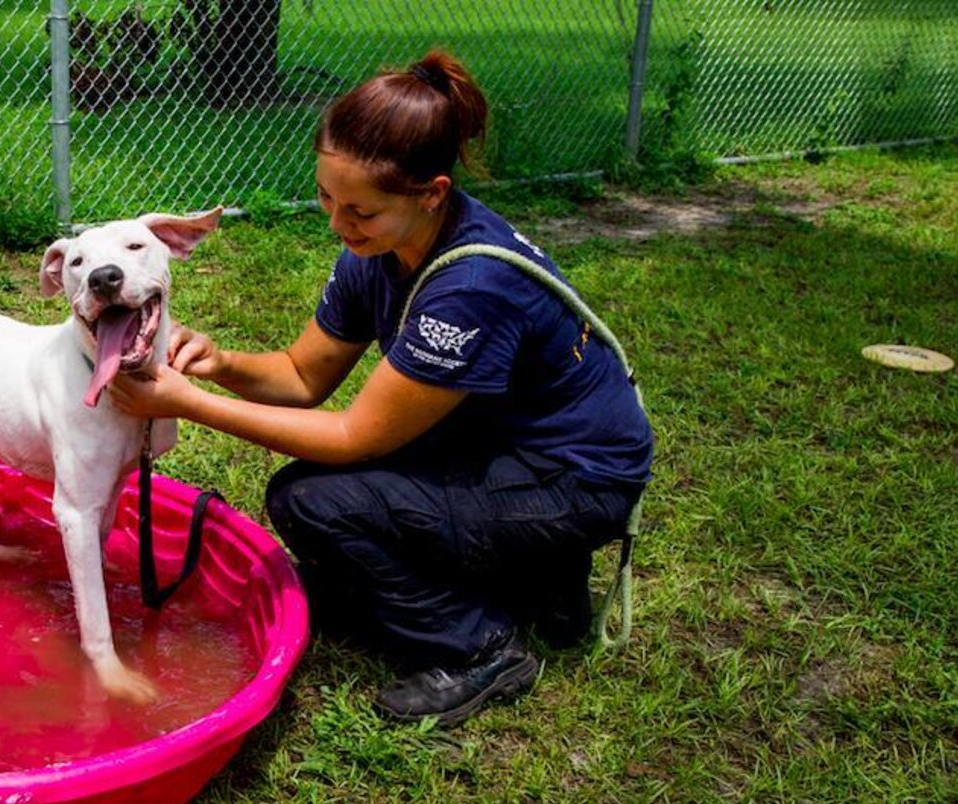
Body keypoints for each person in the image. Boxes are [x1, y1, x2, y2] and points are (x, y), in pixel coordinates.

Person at [108, 50, 653, 728]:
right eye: (328, 199)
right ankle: (543, 584)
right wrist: (222, 364)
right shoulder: (382, 247)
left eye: (360, 210)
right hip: (505, 444)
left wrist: (189, 403)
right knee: (340, 497)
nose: (339, 224)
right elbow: (305, 376)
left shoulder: (471, 287)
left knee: (313, 502)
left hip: (576, 480)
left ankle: (483, 644)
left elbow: (353, 437)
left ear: (432, 193)